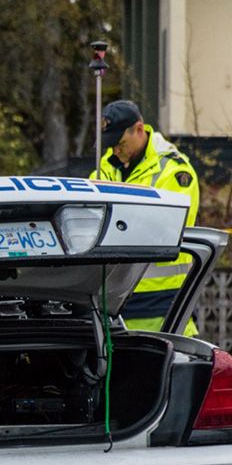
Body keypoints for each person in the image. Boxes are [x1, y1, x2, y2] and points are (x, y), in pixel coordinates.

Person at [91, 100, 200, 335]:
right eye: (110, 146)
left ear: (139, 129)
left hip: (163, 307)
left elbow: (162, 231)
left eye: (119, 143)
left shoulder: (173, 171)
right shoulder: (106, 168)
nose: (115, 151)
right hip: (115, 303)